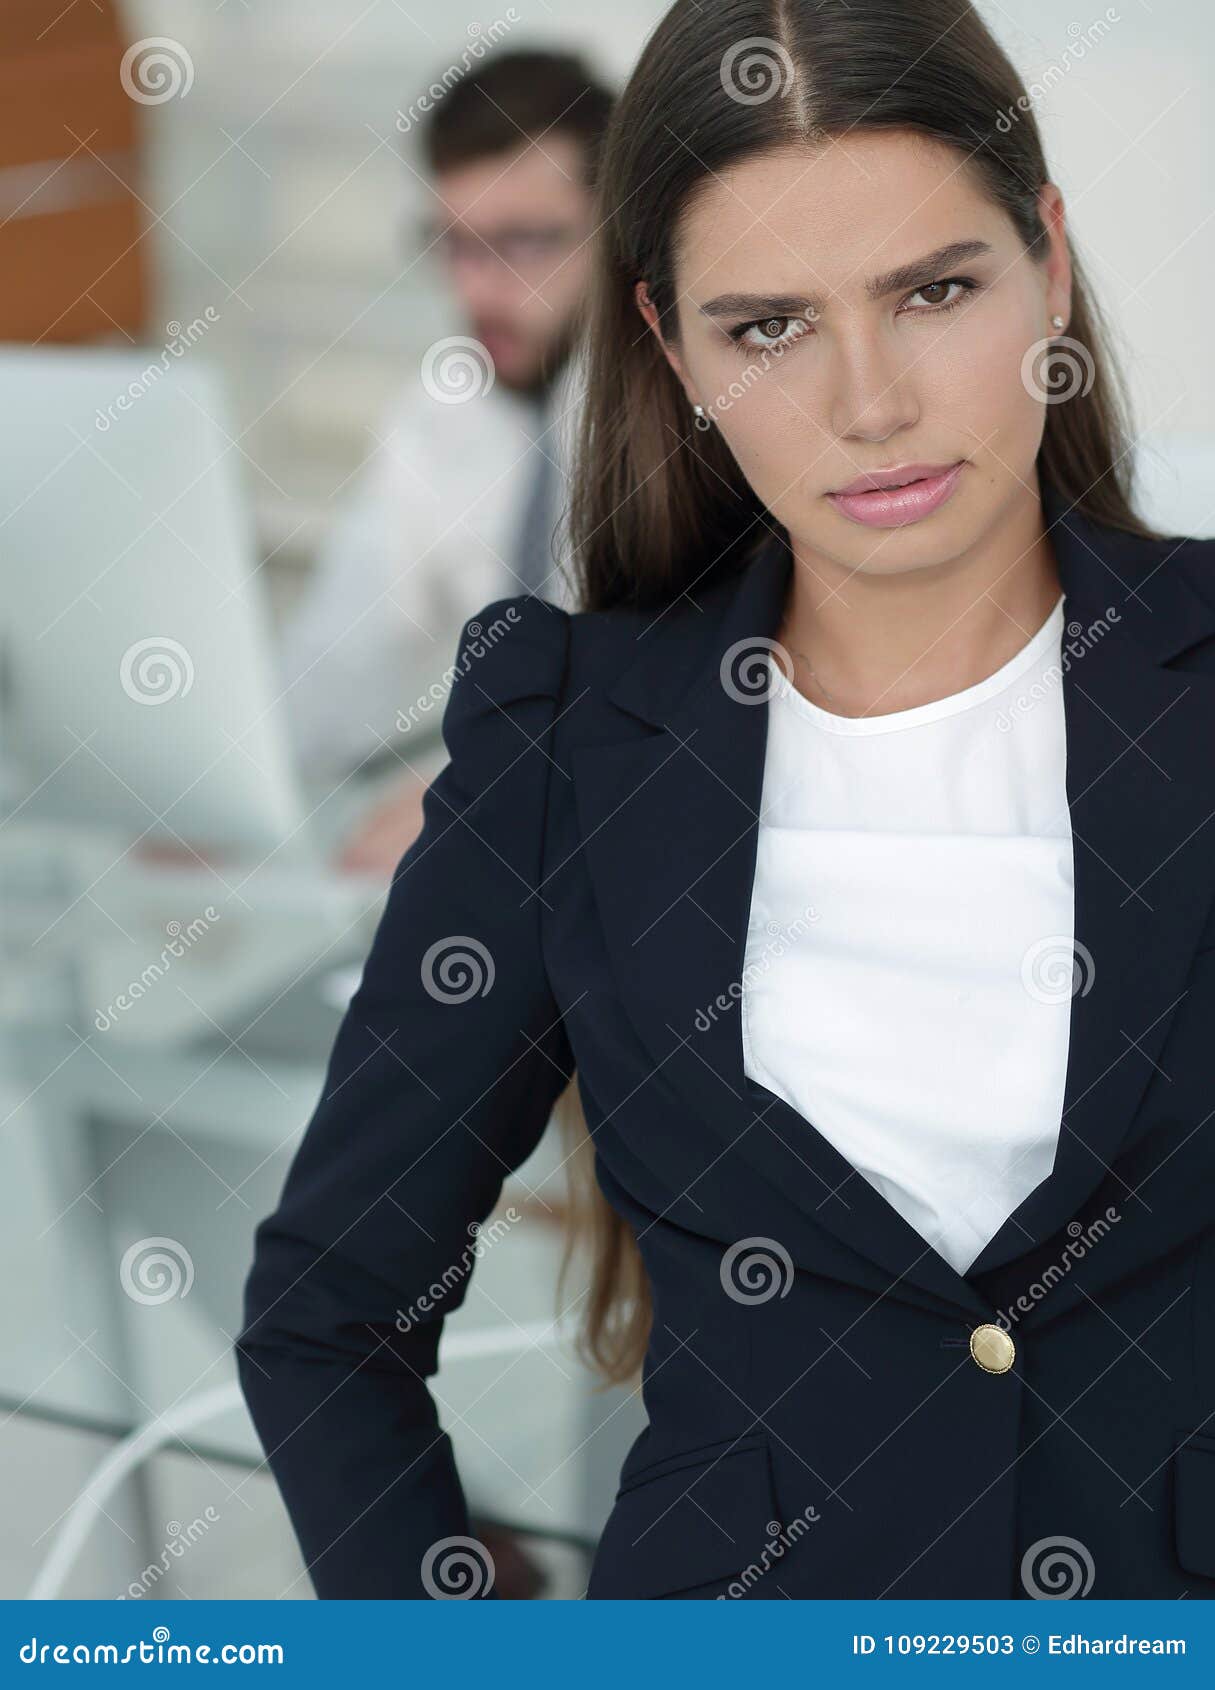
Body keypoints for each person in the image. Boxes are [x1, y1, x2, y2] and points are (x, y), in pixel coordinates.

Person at [236, 0, 1215, 1600]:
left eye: (933, 291)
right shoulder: (568, 742)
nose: (869, 403)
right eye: (766, 326)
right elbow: (325, 1314)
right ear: (670, 345)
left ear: (1045, 261)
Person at [279, 48, 613, 876]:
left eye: (522, 243)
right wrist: (235, 789)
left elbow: (674, 689)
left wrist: (490, 788)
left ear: (622, 226)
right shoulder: (443, 411)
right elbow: (344, 647)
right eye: (454, 244)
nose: (476, 290)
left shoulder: (701, 416)